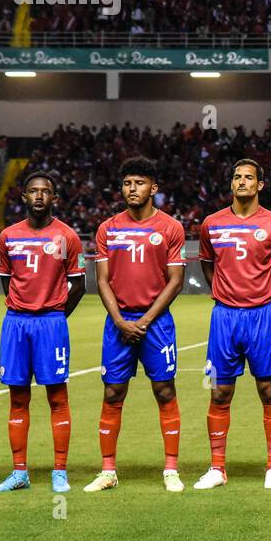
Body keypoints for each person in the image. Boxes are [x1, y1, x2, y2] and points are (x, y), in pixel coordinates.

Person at [84, 157, 187, 493]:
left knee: (164, 390)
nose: (133, 189)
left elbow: (175, 281)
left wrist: (142, 320)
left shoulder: (170, 227)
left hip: (155, 324)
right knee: (113, 392)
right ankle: (108, 470)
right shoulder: (107, 229)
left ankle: (171, 469)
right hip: (118, 322)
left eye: (140, 183)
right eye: (127, 183)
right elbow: (102, 280)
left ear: (153, 188)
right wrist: (119, 321)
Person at [194, 159, 271, 490]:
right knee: (219, 392)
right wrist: (226, 295)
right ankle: (217, 468)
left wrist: (260, 299)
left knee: (269, 389)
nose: (241, 181)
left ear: (260, 185)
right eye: (236, 176)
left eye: (249, 177)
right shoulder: (211, 223)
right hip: (223, 318)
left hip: (263, 317)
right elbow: (208, 267)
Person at [0, 172, 87, 494]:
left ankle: (59, 471)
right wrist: (25, 306)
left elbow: (80, 285)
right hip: (16, 323)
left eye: (45, 192)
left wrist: (57, 315)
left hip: (51, 324)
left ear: (54, 198)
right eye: (32, 191)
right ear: (23, 197)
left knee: (57, 397)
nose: (38, 196)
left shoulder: (67, 237)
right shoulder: (8, 236)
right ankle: (19, 472)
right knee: (18, 398)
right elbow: (8, 283)